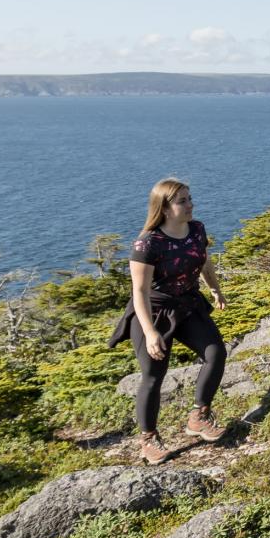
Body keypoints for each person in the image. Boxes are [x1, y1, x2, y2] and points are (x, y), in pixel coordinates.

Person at [109, 178, 231, 465]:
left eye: (190, 198)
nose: (190, 205)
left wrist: (215, 289)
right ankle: (148, 439)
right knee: (154, 375)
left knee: (216, 353)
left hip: (187, 304)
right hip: (153, 312)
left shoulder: (196, 229)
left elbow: (203, 260)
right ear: (164, 208)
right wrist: (150, 332)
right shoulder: (147, 243)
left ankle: (199, 415)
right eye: (182, 201)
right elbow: (139, 292)